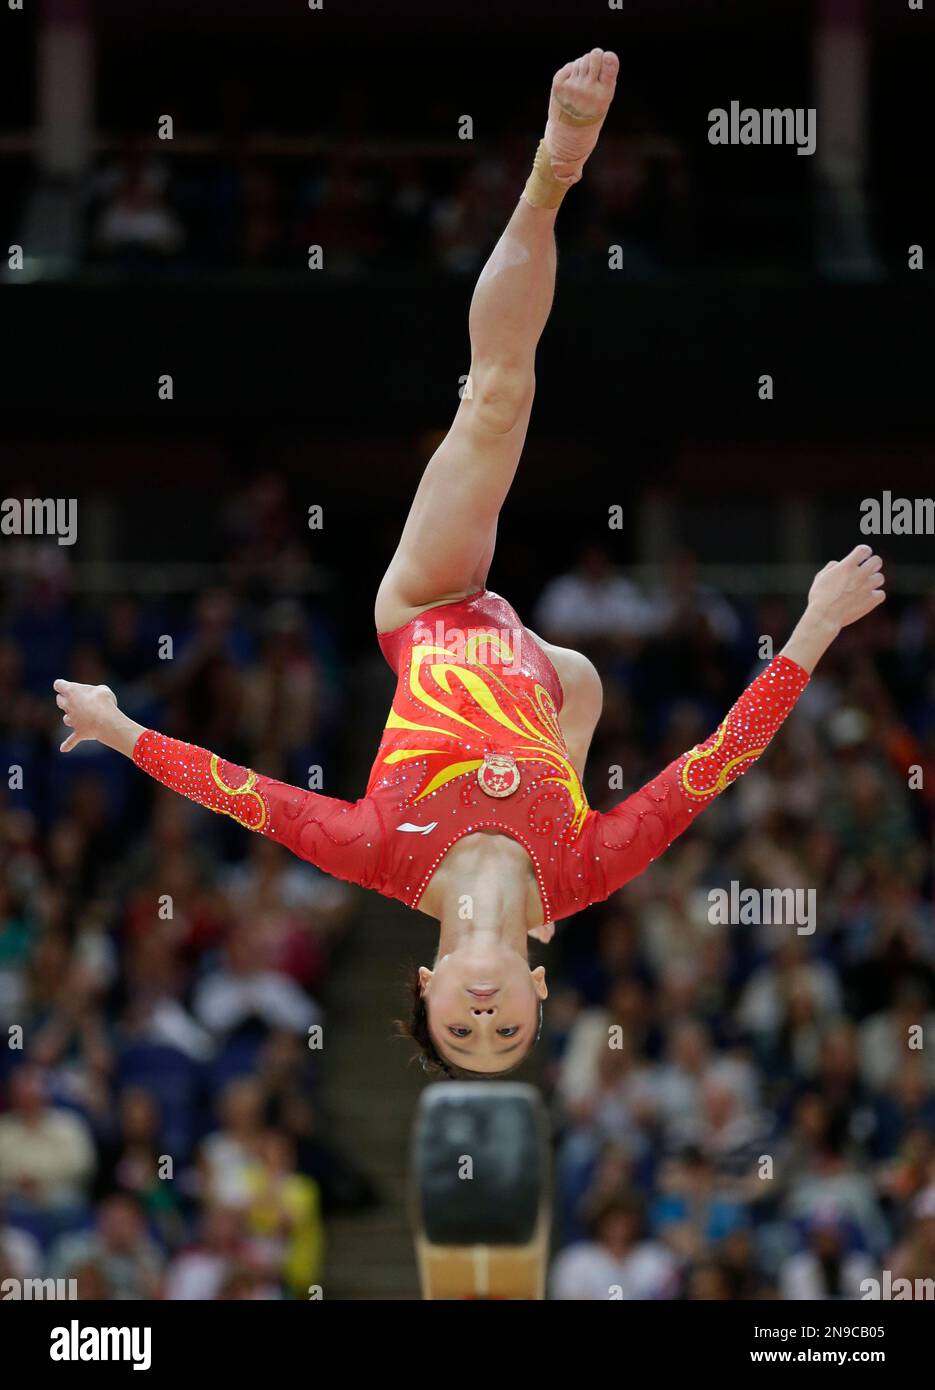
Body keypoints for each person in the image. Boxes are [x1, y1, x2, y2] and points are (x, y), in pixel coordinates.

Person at [52, 50, 886, 1078]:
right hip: (546, 686)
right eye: (507, 1031)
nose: (484, 1013)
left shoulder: (378, 852)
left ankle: (551, 168)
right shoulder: (581, 873)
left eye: (460, 1027)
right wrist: (814, 623)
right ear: (539, 992)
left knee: (495, 398)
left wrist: (115, 724)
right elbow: (712, 765)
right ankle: (561, 731)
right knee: (573, 687)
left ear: (424, 986)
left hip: (430, 607)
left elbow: (239, 791)